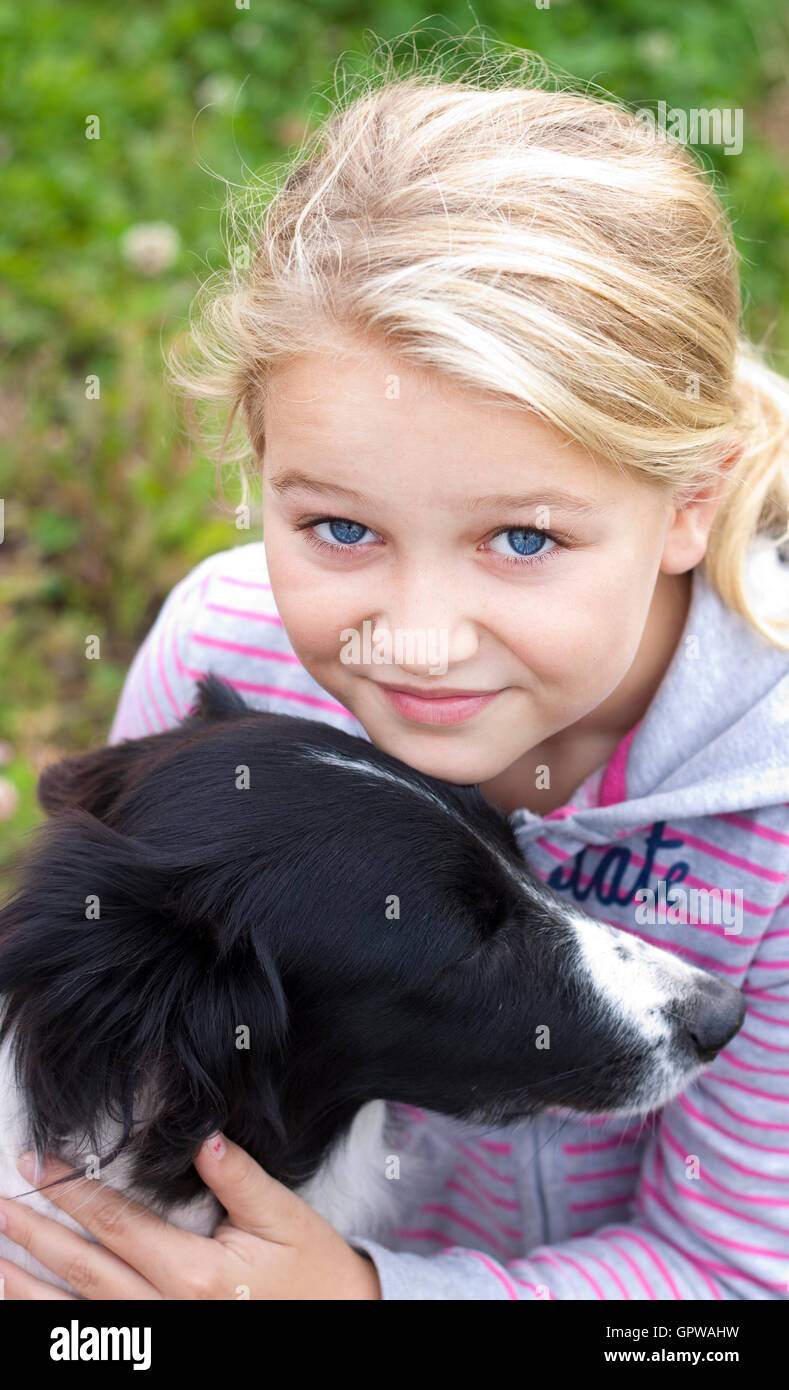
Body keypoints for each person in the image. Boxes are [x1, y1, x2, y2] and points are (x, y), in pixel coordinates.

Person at [4, 47, 789, 1301]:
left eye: (523, 538)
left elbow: (741, 1284)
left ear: (690, 503)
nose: (419, 636)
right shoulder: (223, 653)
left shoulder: (775, 812)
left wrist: (367, 1298)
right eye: (340, 529)